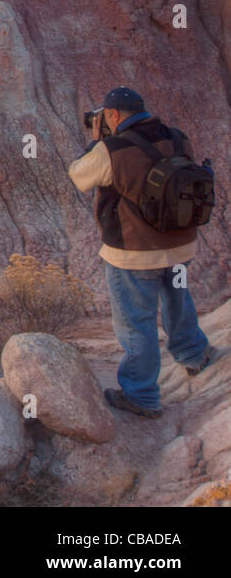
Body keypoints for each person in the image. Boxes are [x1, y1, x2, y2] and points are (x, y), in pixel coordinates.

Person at [68, 86, 216, 417]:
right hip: (181, 247)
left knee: (137, 324)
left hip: (134, 255)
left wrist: (97, 141)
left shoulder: (111, 149)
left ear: (114, 116)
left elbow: (79, 176)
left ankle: (142, 396)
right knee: (178, 298)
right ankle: (194, 354)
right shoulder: (178, 138)